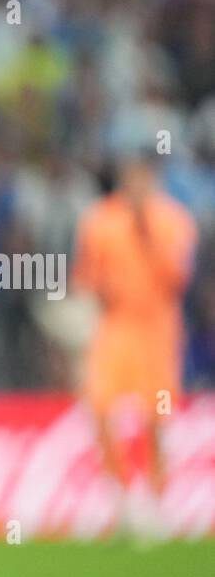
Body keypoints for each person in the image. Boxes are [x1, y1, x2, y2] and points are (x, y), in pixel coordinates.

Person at [72, 152, 197, 538]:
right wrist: (99, 289)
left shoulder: (174, 221)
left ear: (153, 178)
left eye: (144, 176)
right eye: (131, 176)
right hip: (117, 326)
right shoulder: (101, 219)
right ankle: (122, 497)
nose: (137, 184)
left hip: (159, 327)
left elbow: (177, 278)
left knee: (157, 417)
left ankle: (157, 501)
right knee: (100, 406)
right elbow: (86, 276)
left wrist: (146, 233)